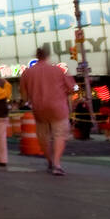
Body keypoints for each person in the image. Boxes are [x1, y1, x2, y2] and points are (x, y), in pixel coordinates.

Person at [20, 47, 76, 176]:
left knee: (43, 136)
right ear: (48, 56)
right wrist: (77, 87)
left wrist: (30, 99)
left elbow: (24, 96)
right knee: (59, 134)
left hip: (39, 109)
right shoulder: (57, 70)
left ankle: (50, 160)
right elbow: (73, 88)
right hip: (58, 108)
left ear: (36, 56)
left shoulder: (27, 73)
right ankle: (56, 164)